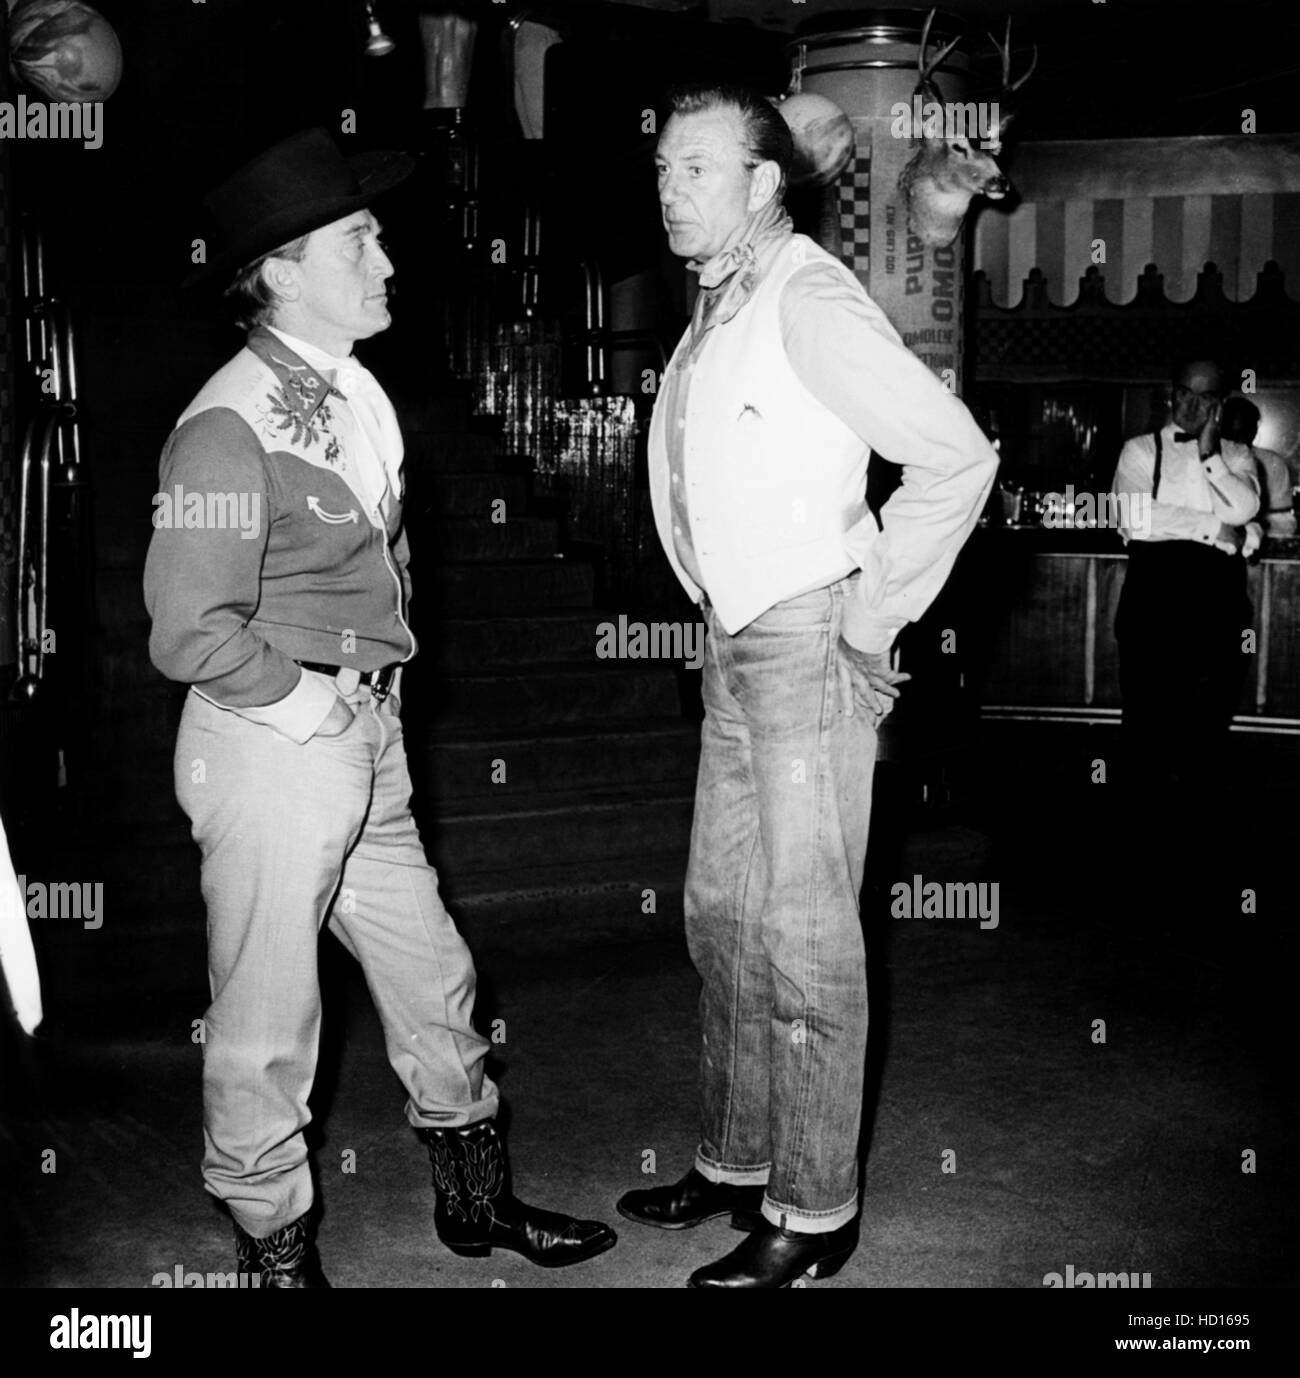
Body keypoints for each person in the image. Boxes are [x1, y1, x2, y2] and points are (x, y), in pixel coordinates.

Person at [143, 129, 615, 1287]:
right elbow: (187, 629)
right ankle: (273, 1245)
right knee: (265, 1019)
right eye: (360, 236)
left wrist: (370, 707)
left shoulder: (355, 389)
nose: (387, 254)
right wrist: (311, 709)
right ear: (285, 270)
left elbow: (384, 554)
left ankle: (475, 1196)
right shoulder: (226, 421)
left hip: (363, 730)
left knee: (432, 971)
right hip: (271, 742)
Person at [615, 82, 998, 1288]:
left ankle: (815, 1207)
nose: (667, 188)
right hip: (733, 641)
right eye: (662, 168)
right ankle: (734, 1164)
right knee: (720, 915)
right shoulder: (719, 301)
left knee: (804, 935)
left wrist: (869, 615)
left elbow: (954, 455)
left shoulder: (809, 295)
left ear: (762, 183)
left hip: (802, 640)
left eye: (693, 168)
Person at [1110, 359, 1260, 802]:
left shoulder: (1235, 454)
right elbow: (1134, 519)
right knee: (1145, 724)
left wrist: (1211, 456)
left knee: (1209, 723)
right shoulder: (1140, 450)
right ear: (1171, 392)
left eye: (1206, 397)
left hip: (1220, 604)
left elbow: (1242, 510)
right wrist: (1214, 530)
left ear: (1220, 404)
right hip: (1153, 601)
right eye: (1186, 394)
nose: (1192, 406)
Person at [1220, 395, 1297, 540]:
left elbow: (1284, 523)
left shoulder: (1273, 464)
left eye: (1242, 432)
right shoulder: (1204, 459)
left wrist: (1255, 529)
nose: (1236, 444)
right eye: (1231, 434)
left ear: (1254, 431)